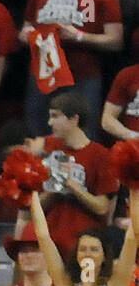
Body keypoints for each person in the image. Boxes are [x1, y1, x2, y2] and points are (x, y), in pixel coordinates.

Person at [20, 0, 123, 136]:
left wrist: (79, 37)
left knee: (83, 134)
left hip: (83, 77)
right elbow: (26, 27)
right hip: (43, 74)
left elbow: (116, 41)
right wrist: (26, 36)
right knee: (38, 134)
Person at [37, 91, 118, 261]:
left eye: (55, 116)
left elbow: (102, 207)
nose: (49, 122)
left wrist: (73, 186)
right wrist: (56, 187)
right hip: (49, 239)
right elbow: (34, 206)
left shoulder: (100, 155)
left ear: (74, 119)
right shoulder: (49, 149)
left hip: (83, 244)